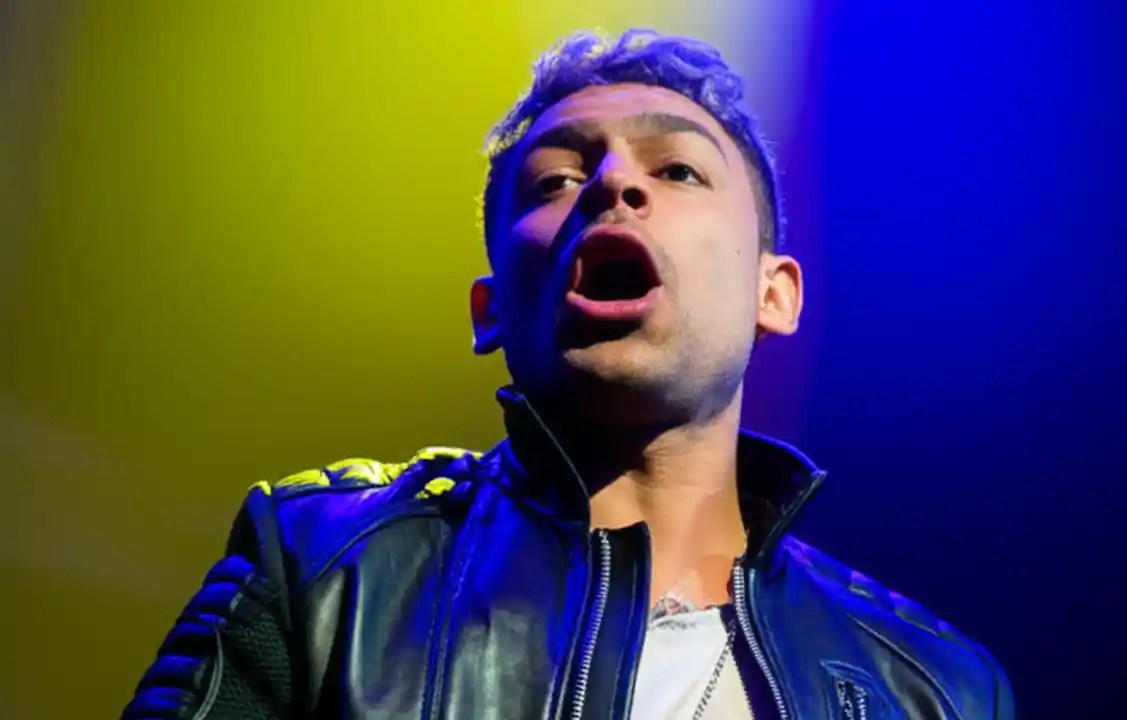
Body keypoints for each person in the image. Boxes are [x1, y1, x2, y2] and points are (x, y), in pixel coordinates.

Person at [123, 28, 1014, 720]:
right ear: (491, 310)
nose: (613, 185)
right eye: (554, 180)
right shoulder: (317, 566)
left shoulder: (934, 687)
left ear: (771, 293)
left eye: (677, 168)